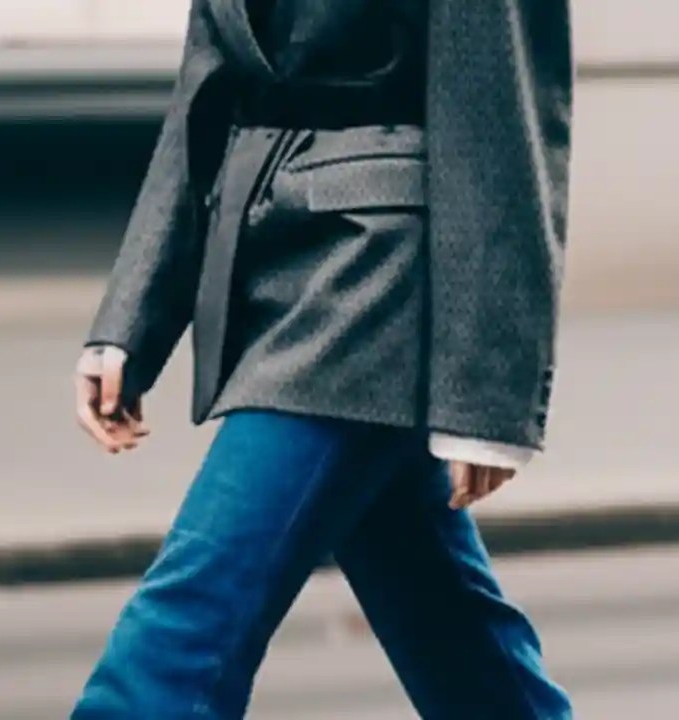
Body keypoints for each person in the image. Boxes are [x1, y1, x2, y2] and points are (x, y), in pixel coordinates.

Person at [70, 0, 574, 716]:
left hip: (375, 280)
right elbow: (206, 87)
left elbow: (503, 109)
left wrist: (488, 392)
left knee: (177, 641)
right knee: (464, 657)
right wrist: (129, 321)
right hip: (265, 261)